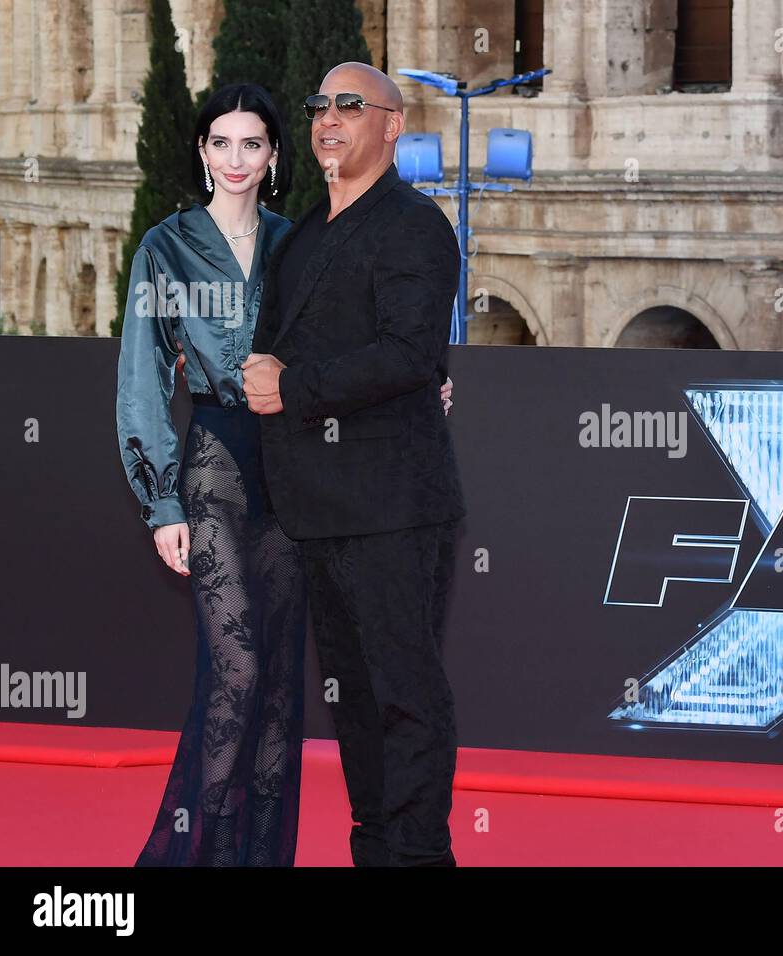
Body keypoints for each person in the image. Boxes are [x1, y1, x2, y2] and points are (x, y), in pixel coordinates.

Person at [115, 82, 456, 866]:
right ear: (201, 152)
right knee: (234, 672)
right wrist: (159, 500)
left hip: (301, 473)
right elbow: (141, 384)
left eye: (253, 144)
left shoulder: (296, 239)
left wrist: (422, 374)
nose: (237, 158)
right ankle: (195, 855)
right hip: (216, 465)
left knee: (279, 688)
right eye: (221, 143)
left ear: (273, 156)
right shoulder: (164, 249)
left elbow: (367, 342)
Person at [242, 61, 465, 867]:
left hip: (392, 507)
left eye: (351, 105)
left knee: (405, 697)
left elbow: (411, 352)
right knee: (356, 702)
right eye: (320, 106)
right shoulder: (306, 232)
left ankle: (415, 858)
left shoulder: (412, 225)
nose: (329, 119)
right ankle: (376, 847)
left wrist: (293, 386)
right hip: (315, 510)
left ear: (392, 125)